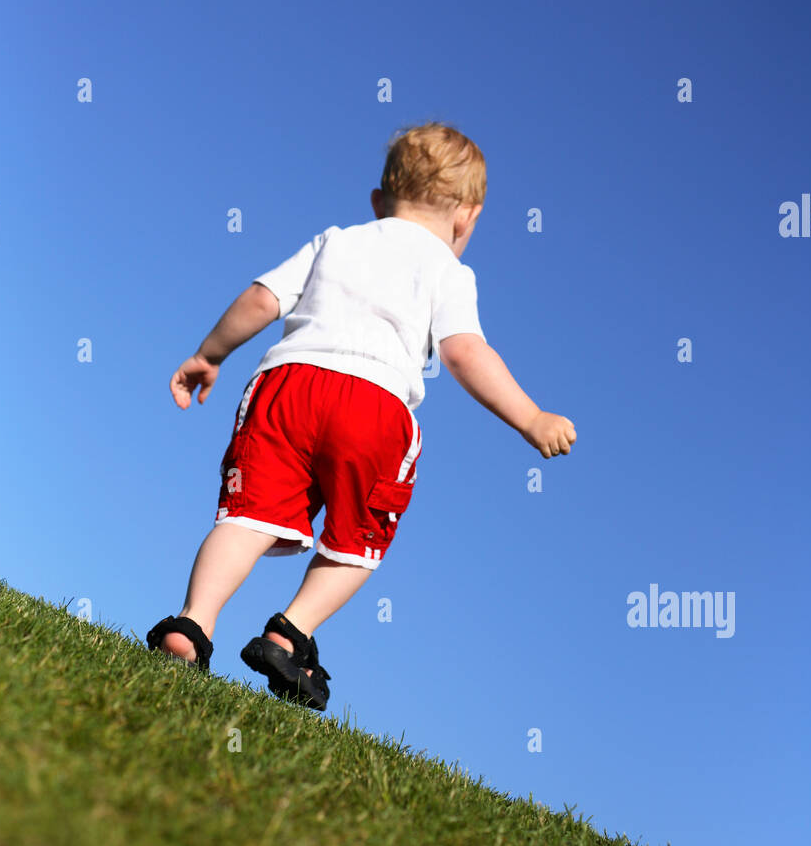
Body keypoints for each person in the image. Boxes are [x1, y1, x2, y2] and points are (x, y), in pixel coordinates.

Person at [147, 122, 576, 709]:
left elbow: (261, 299)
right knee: (356, 538)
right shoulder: (449, 271)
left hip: (289, 385)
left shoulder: (337, 241)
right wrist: (531, 417)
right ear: (468, 218)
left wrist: (208, 354)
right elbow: (463, 352)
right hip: (375, 406)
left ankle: (193, 626)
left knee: (247, 517)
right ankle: (290, 631)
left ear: (378, 201)